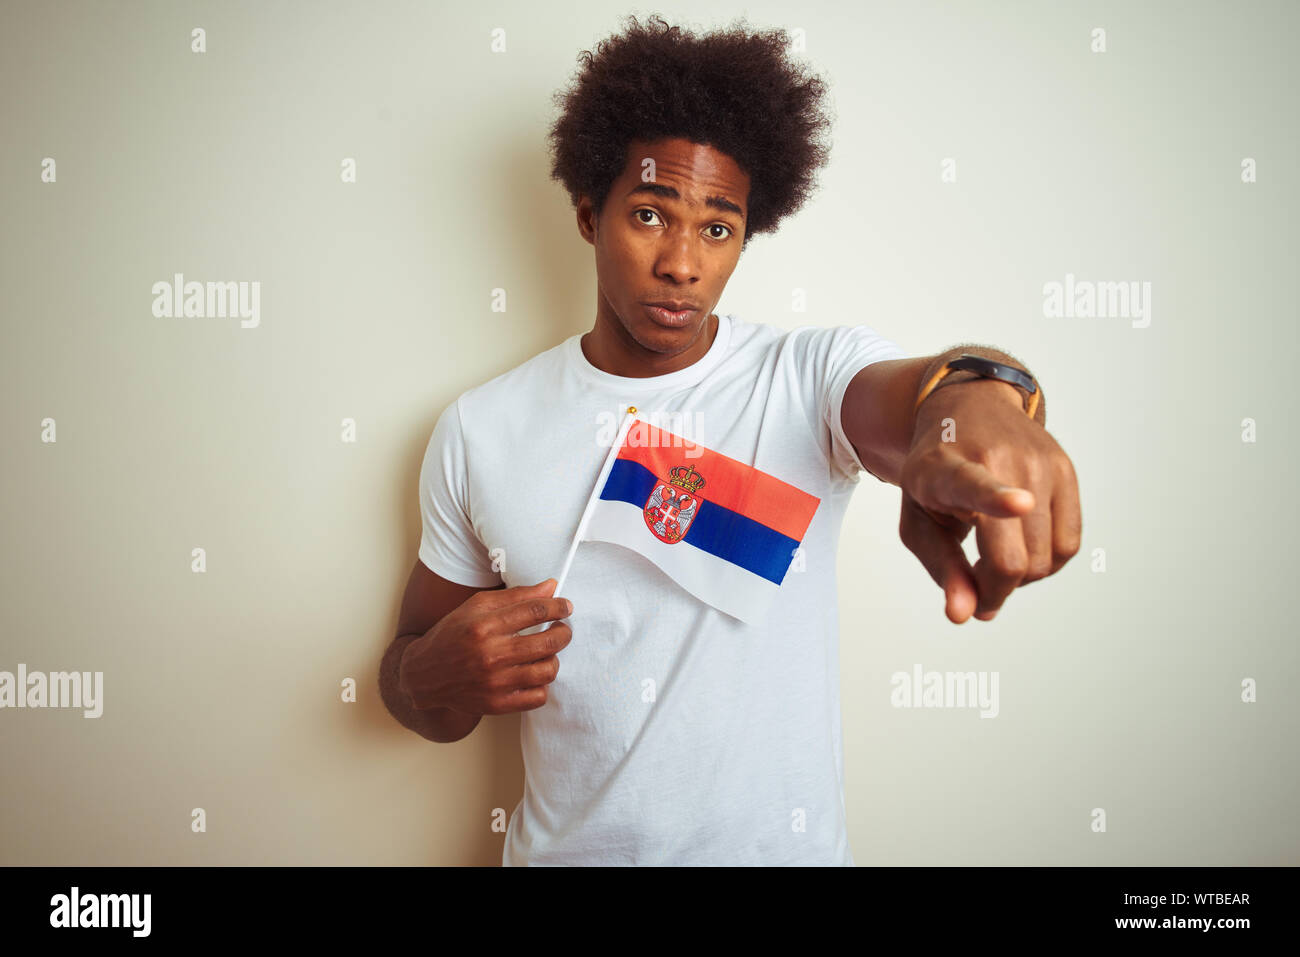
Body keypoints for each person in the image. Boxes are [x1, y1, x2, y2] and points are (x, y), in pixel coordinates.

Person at [378, 14, 1080, 865]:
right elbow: (415, 681)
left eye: (718, 228)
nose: (683, 262)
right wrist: (424, 679)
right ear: (588, 214)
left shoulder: (803, 379)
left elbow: (929, 391)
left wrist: (989, 402)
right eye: (649, 213)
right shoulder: (479, 429)